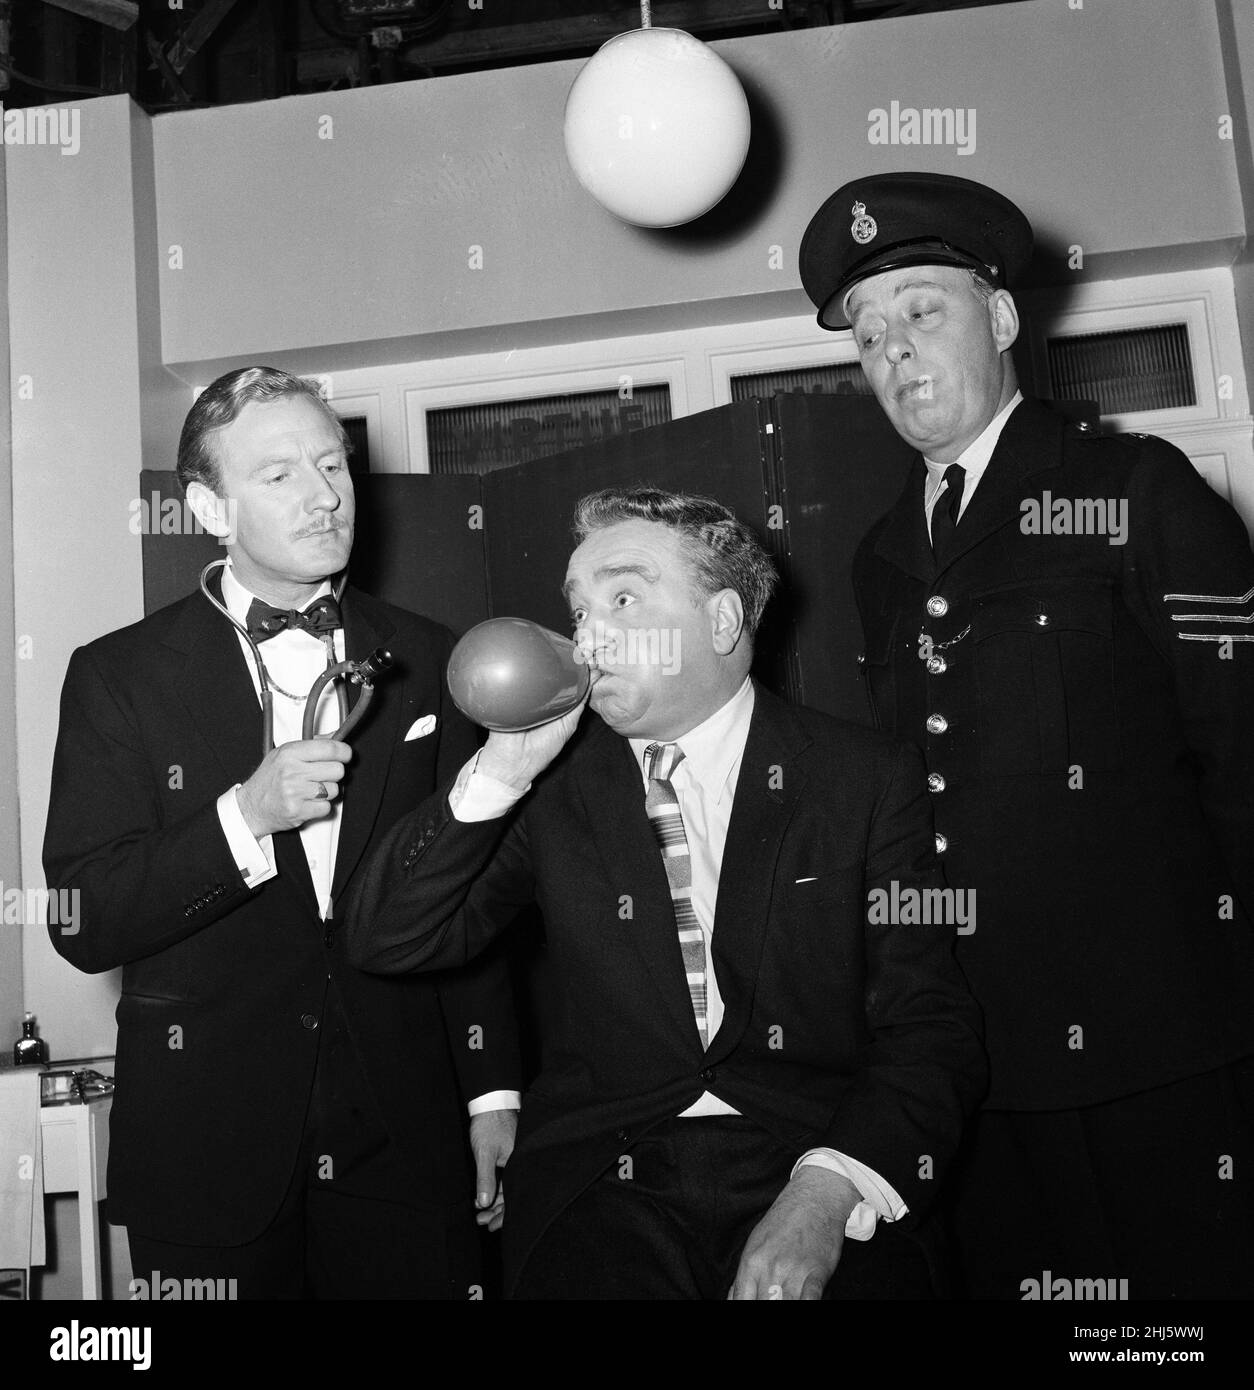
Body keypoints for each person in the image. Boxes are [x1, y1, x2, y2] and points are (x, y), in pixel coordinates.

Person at [344, 485, 986, 1300]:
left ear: (721, 623)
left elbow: (931, 1027)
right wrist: (502, 771)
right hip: (605, 1175)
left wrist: (829, 1190)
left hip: (814, 1154)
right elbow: (388, 938)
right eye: (578, 612)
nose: (587, 638)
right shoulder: (551, 790)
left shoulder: (862, 778)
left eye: (621, 598)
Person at [800, 171, 1254, 1299]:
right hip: (978, 1059)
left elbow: (1244, 753)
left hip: (1166, 1038)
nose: (895, 353)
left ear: (1001, 319)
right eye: (867, 334)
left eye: (922, 311)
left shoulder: (1135, 486)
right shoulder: (879, 556)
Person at [43, 366, 521, 1299]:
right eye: (278, 476)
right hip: (207, 1155)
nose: (324, 497)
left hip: (407, 1140)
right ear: (207, 509)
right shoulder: (118, 677)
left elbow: (466, 896)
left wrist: (491, 1091)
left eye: (332, 465)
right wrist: (244, 818)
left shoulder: (432, 656)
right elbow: (81, 918)